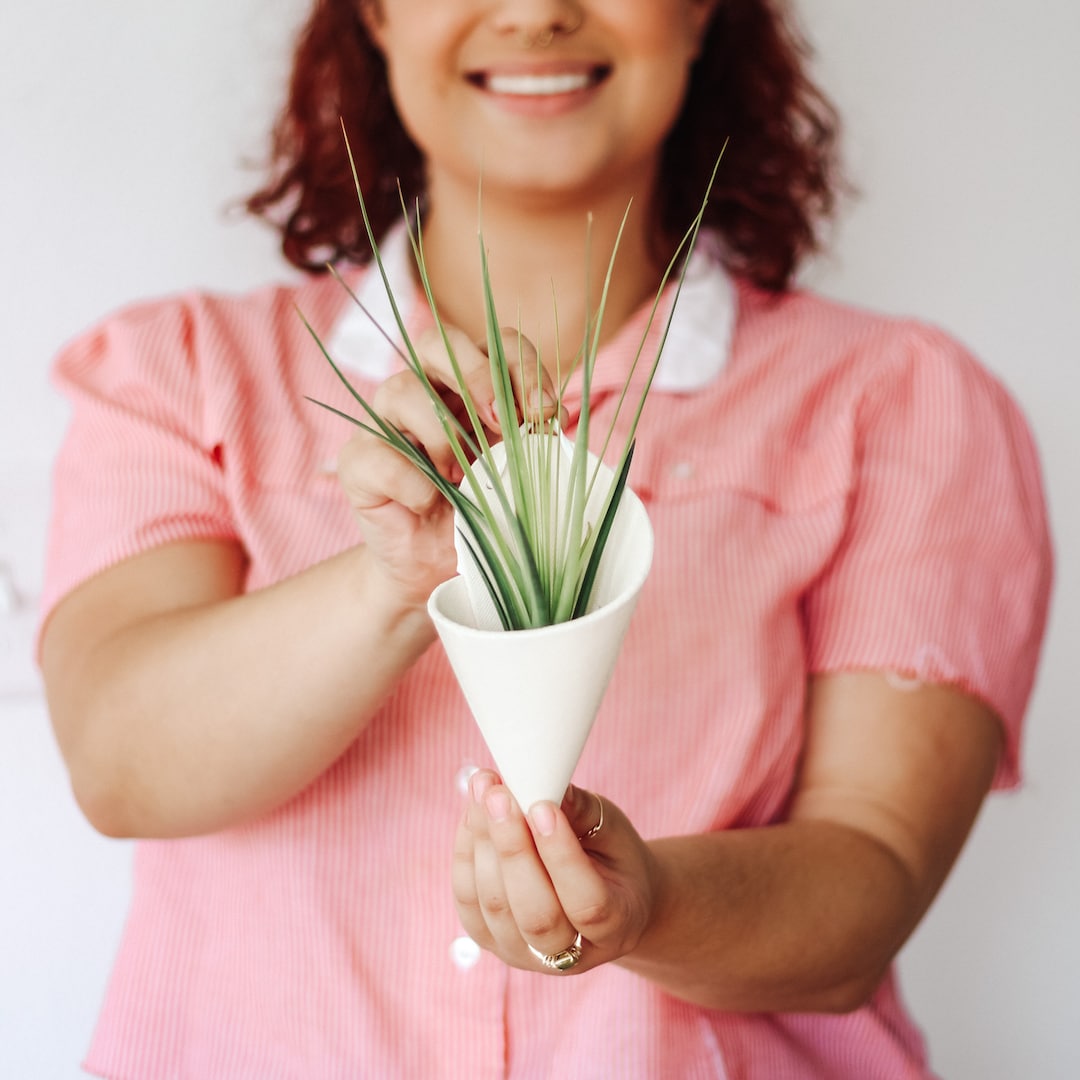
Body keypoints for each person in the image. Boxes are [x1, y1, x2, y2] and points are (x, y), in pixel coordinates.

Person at [38, 1, 1052, 1077]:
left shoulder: (900, 405)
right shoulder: (178, 371)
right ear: (375, 13)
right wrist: (398, 580)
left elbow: (869, 877)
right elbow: (121, 759)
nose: (535, 12)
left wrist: (650, 906)